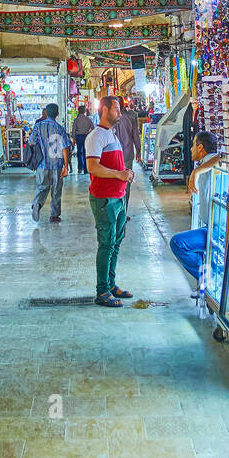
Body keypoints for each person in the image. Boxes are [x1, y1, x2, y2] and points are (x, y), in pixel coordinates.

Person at [85, 96, 134, 308]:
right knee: (106, 244)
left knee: (115, 243)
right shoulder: (96, 136)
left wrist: (125, 174)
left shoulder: (111, 134)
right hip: (104, 199)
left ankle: (111, 284)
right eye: (116, 109)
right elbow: (93, 167)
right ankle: (102, 291)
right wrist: (118, 175)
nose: (120, 113)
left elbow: (113, 164)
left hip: (118, 197)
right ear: (104, 109)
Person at [169, 131, 218, 299]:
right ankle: (210, 275)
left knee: (178, 243)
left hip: (218, 230)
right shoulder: (206, 164)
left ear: (200, 147)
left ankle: (210, 277)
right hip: (209, 226)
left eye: (193, 146)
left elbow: (222, 157)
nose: (190, 150)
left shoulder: (215, 164)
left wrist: (197, 171)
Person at [29, 103, 72, 223]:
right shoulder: (59, 128)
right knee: (56, 189)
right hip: (56, 164)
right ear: (57, 114)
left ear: (46, 113)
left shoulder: (38, 126)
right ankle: (54, 215)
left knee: (42, 186)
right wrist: (66, 166)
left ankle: (37, 204)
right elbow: (65, 148)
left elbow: (31, 142)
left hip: (42, 164)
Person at [113, 98, 141, 221]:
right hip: (127, 154)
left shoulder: (109, 117)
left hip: (112, 154)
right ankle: (123, 213)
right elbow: (136, 135)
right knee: (126, 185)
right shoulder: (132, 116)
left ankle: (115, 212)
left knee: (113, 183)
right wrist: (139, 151)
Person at [71, 103, 94, 175]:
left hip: (78, 137)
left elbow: (73, 130)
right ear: (85, 111)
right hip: (86, 137)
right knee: (85, 152)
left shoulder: (76, 120)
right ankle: (86, 169)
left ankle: (79, 168)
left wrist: (73, 139)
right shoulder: (88, 119)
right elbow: (93, 128)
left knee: (79, 152)